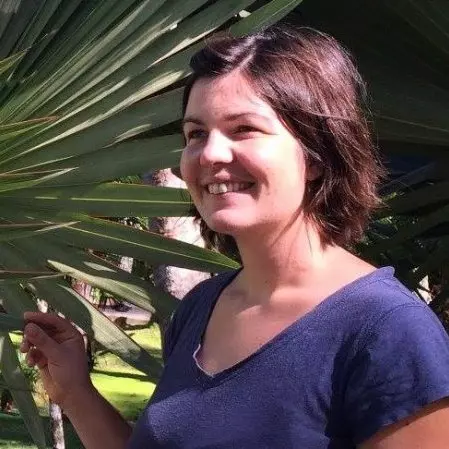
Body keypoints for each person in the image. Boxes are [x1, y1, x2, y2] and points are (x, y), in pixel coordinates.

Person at [21, 25, 449, 449]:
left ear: (317, 156)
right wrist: (76, 392)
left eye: (244, 129)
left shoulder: (387, 332)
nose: (209, 153)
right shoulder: (201, 308)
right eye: (196, 134)